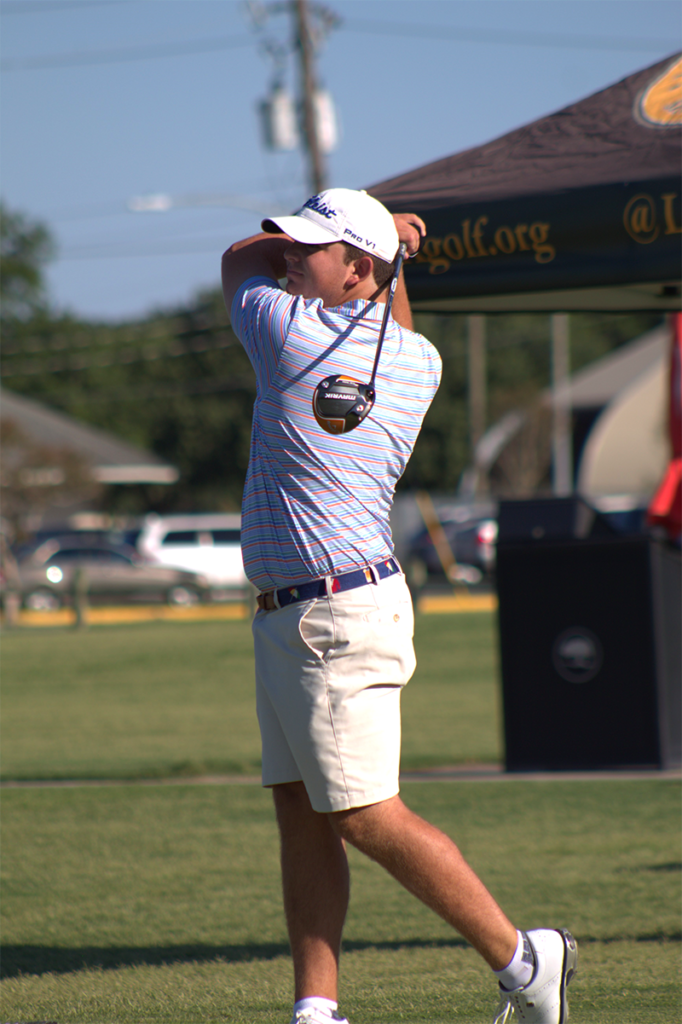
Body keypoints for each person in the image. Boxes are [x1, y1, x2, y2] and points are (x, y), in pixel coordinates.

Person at [221, 188, 577, 1024]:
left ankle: (527, 961)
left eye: (311, 248)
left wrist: (383, 247)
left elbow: (237, 259)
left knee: (363, 815)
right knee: (302, 815)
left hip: (331, 617)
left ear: (357, 270)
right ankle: (317, 1008)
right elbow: (393, 322)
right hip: (303, 613)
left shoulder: (285, 333)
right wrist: (387, 257)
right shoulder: (416, 363)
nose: (289, 254)